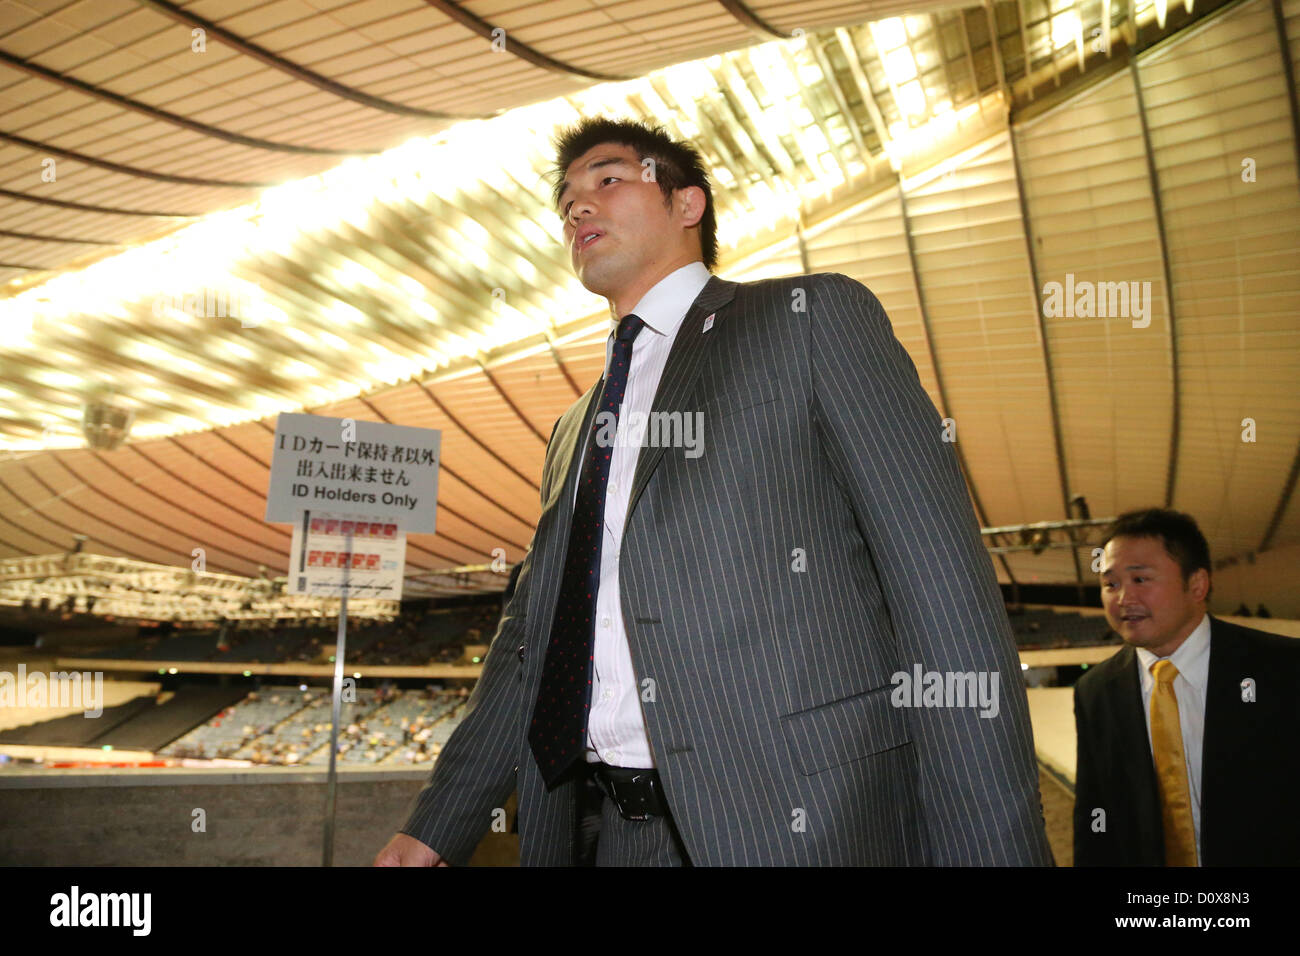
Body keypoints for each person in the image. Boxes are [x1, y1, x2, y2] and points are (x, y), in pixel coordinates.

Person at [375, 117, 1052, 867]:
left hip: (808, 827)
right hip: (614, 834)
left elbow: (942, 586)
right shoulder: (574, 429)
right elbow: (532, 642)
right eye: (565, 202)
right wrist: (437, 824)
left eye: (607, 180)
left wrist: (996, 849)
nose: (577, 208)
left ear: (687, 203)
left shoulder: (807, 320)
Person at [1073, 508, 1300, 865]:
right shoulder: (1095, 691)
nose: (1123, 599)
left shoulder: (1283, 668)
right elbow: (1095, 813)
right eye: (1110, 584)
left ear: (1197, 585)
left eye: (1140, 579)